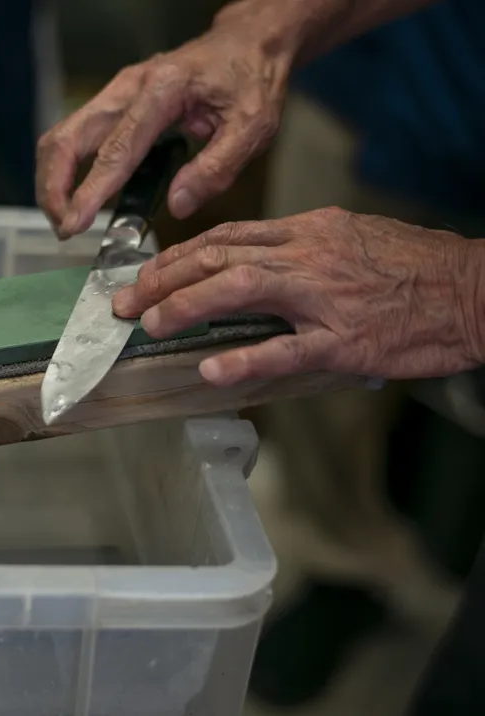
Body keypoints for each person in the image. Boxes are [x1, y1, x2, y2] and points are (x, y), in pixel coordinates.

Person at [36, 0, 485, 712]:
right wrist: (264, 29)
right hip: (376, 76)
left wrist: (465, 289)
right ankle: (342, 568)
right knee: (312, 366)